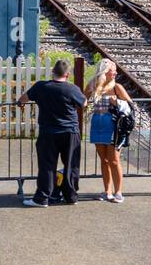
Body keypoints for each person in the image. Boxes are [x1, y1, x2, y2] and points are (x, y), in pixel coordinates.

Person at [17, 60, 86, 207]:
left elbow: (24, 98)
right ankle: (71, 196)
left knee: (47, 165)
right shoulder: (72, 89)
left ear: (52, 72)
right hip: (70, 131)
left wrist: (20, 102)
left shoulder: (41, 86)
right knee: (71, 164)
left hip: (48, 132)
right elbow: (84, 103)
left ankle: (42, 198)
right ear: (67, 74)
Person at [84, 58, 132, 204]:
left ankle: (118, 192)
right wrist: (85, 104)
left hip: (113, 127)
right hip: (98, 124)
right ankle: (107, 191)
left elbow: (130, 106)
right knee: (104, 160)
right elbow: (83, 99)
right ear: (105, 72)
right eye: (113, 70)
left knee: (114, 160)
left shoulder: (117, 87)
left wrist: (116, 102)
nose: (115, 73)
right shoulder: (93, 84)